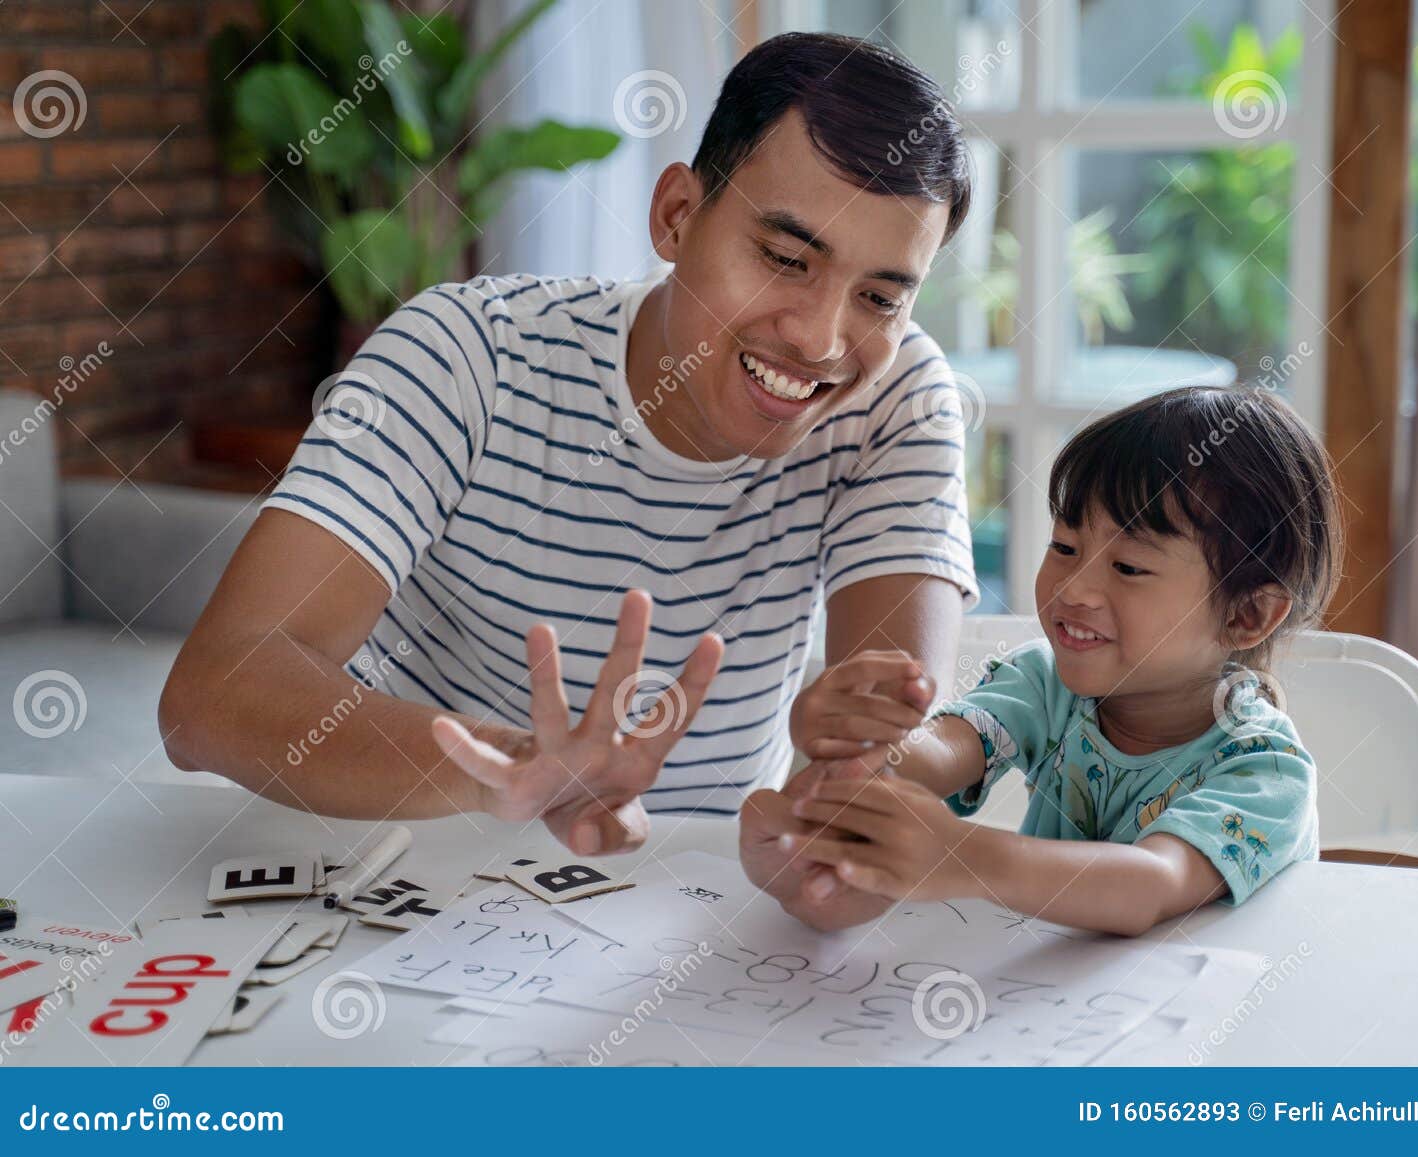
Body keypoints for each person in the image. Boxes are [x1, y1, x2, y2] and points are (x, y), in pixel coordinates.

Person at [159, 33, 978, 859]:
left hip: (694, 914)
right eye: (785, 258)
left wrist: (860, 776)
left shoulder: (895, 399)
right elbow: (214, 693)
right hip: (407, 877)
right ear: (676, 216)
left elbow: (888, 742)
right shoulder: (465, 355)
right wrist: (513, 771)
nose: (821, 339)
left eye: (878, 296)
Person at [743, 385, 1344, 934]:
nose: (1073, 590)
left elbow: (1150, 885)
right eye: (1064, 545)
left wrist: (959, 856)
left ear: (1247, 617)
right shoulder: (1045, 684)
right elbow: (940, 753)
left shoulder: (1265, 772)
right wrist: (862, 742)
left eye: (1129, 567)